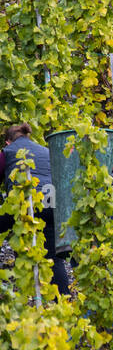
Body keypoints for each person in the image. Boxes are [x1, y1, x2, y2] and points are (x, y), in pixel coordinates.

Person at [0, 123, 70, 296]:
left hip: (26, 203)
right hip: (53, 204)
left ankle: (22, 294)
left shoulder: (6, 153)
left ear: (8, 142)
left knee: (15, 233)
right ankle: (63, 300)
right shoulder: (47, 151)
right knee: (54, 258)